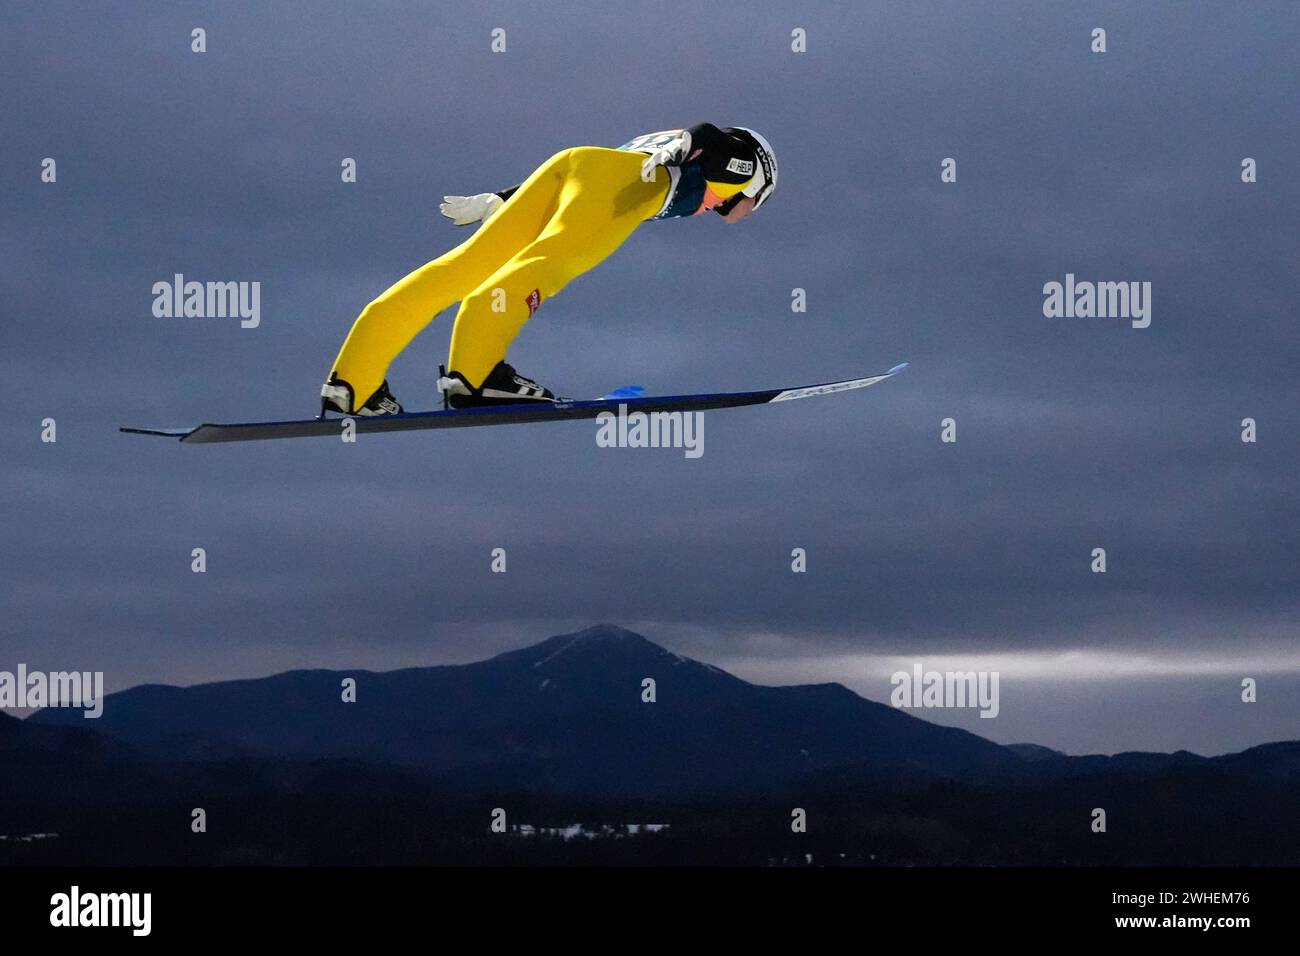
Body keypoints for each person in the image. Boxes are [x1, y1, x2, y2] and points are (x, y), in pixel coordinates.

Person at [320, 123, 777, 415]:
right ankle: (474, 377)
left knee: (461, 268)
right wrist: (691, 143)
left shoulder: (667, 152)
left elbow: (589, 170)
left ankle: (352, 383)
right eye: (756, 203)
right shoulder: (741, 166)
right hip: (618, 192)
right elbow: (711, 138)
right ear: (758, 181)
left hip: (573, 165)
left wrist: (503, 198)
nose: (737, 212)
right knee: (541, 270)